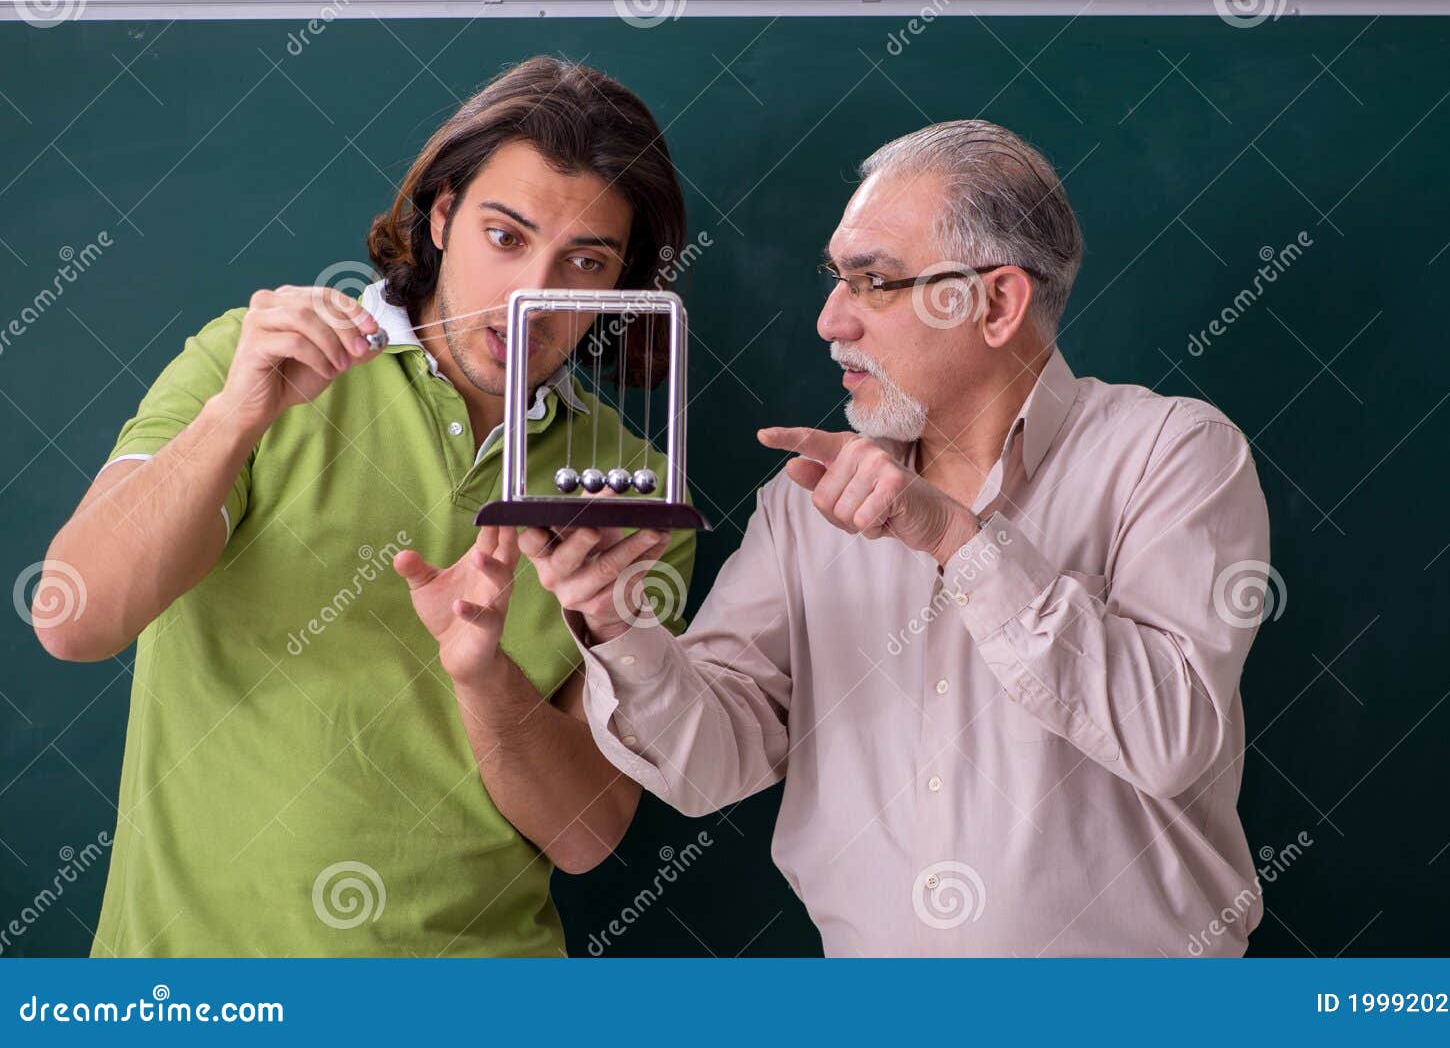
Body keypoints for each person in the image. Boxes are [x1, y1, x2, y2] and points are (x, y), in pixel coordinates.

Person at [519, 120, 1272, 955]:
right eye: (835, 279)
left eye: (873, 281)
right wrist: (617, 627)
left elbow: (1171, 738)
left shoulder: (1172, 454)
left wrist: (960, 540)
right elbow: (708, 766)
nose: (830, 321)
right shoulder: (806, 504)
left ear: (995, 304)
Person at [31, 56, 695, 956]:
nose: (531, 297)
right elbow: (74, 620)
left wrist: (481, 672)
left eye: (584, 260)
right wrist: (235, 417)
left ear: (618, 284)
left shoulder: (629, 485)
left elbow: (584, 839)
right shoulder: (248, 364)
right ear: (444, 212)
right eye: (506, 237)